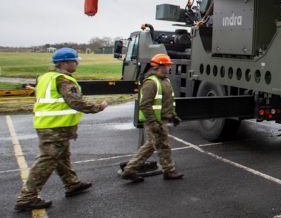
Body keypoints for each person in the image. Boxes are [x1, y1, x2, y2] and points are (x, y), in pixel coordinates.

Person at [15, 48, 108, 212]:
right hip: (55, 127)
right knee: (47, 160)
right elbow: (76, 102)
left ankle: (72, 183)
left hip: (51, 125)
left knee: (63, 157)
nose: (77, 63)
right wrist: (99, 107)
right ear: (65, 63)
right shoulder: (63, 80)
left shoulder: (45, 77)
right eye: (74, 61)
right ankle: (27, 197)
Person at [121, 54, 183, 182]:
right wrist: (153, 123)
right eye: (168, 65)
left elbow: (168, 102)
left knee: (162, 146)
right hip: (154, 121)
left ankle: (168, 171)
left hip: (162, 120)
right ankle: (130, 170)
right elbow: (145, 105)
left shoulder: (165, 80)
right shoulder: (151, 82)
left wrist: (173, 116)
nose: (170, 67)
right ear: (159, 66)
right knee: (151, 146)